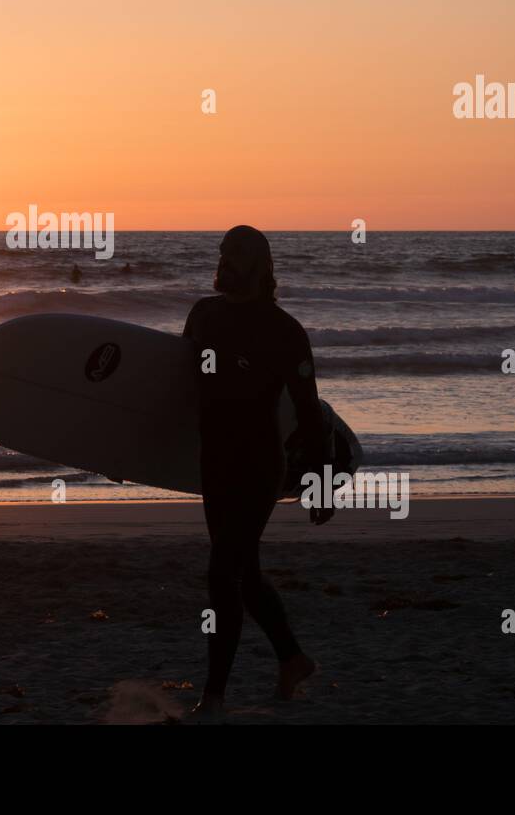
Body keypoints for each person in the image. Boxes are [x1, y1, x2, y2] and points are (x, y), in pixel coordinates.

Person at [181, 225, 321, 719]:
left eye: (232, 255)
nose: (222, 262)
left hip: (259, 463)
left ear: (259, 266)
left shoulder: (283, 331)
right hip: (214, 461)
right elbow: (178, 388)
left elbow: (310, 412)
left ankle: (213, 698)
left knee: (222, 574)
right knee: (244, 575)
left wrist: (320, 484)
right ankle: (293, 659)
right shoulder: (202, 315)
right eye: (221, 253)